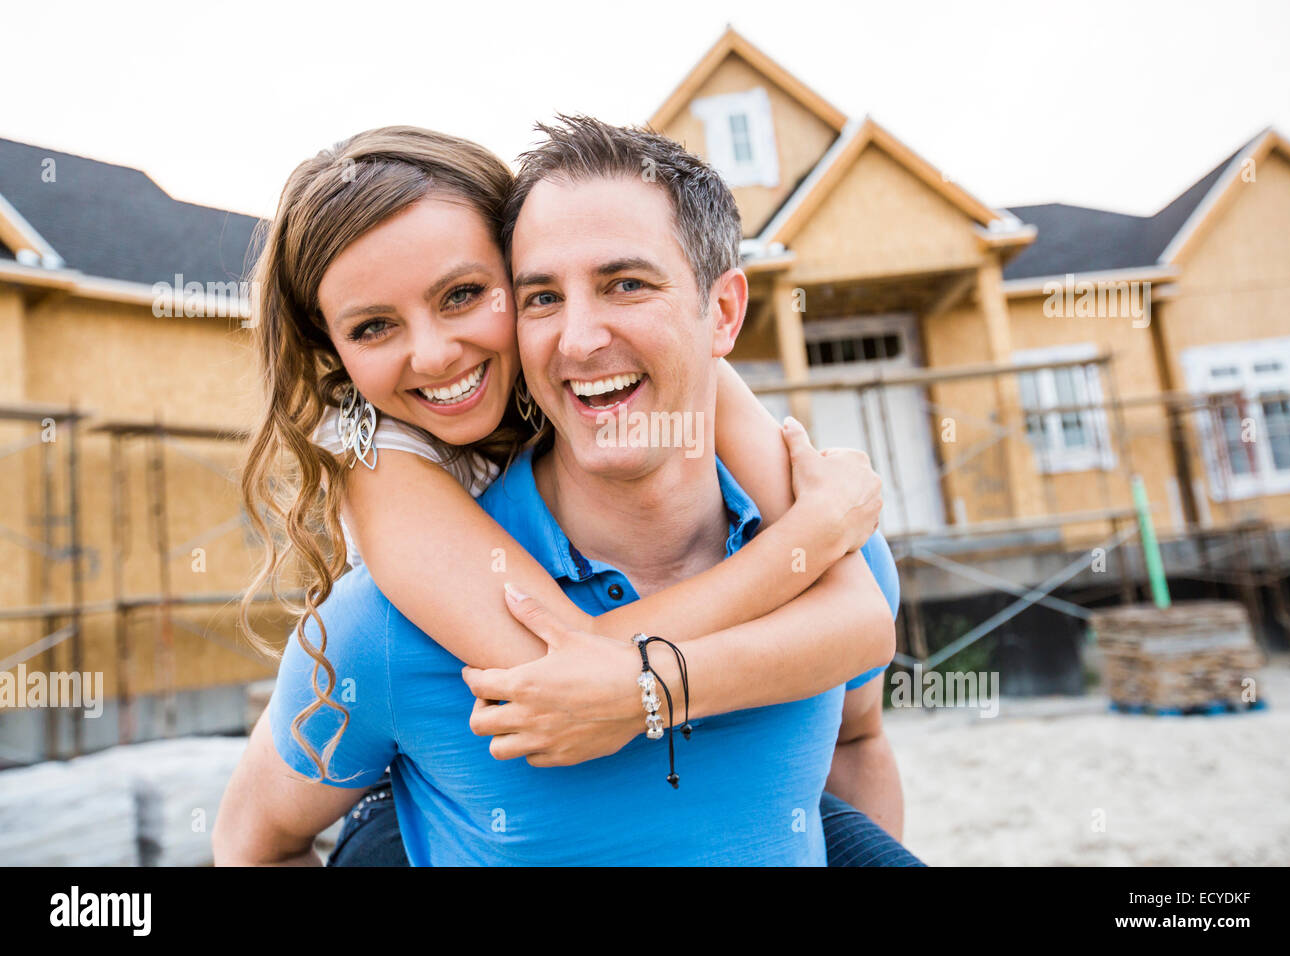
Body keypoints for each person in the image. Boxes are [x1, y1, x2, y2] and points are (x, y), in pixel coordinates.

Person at [214, 121, 920, 865]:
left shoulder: (813, 523)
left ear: (723, 312)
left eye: (462, 294)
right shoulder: (384, 591)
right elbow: (558, 664)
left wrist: (821, 535)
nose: (432, 352)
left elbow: (858, 732)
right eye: (545, 296)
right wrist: (804, 547)